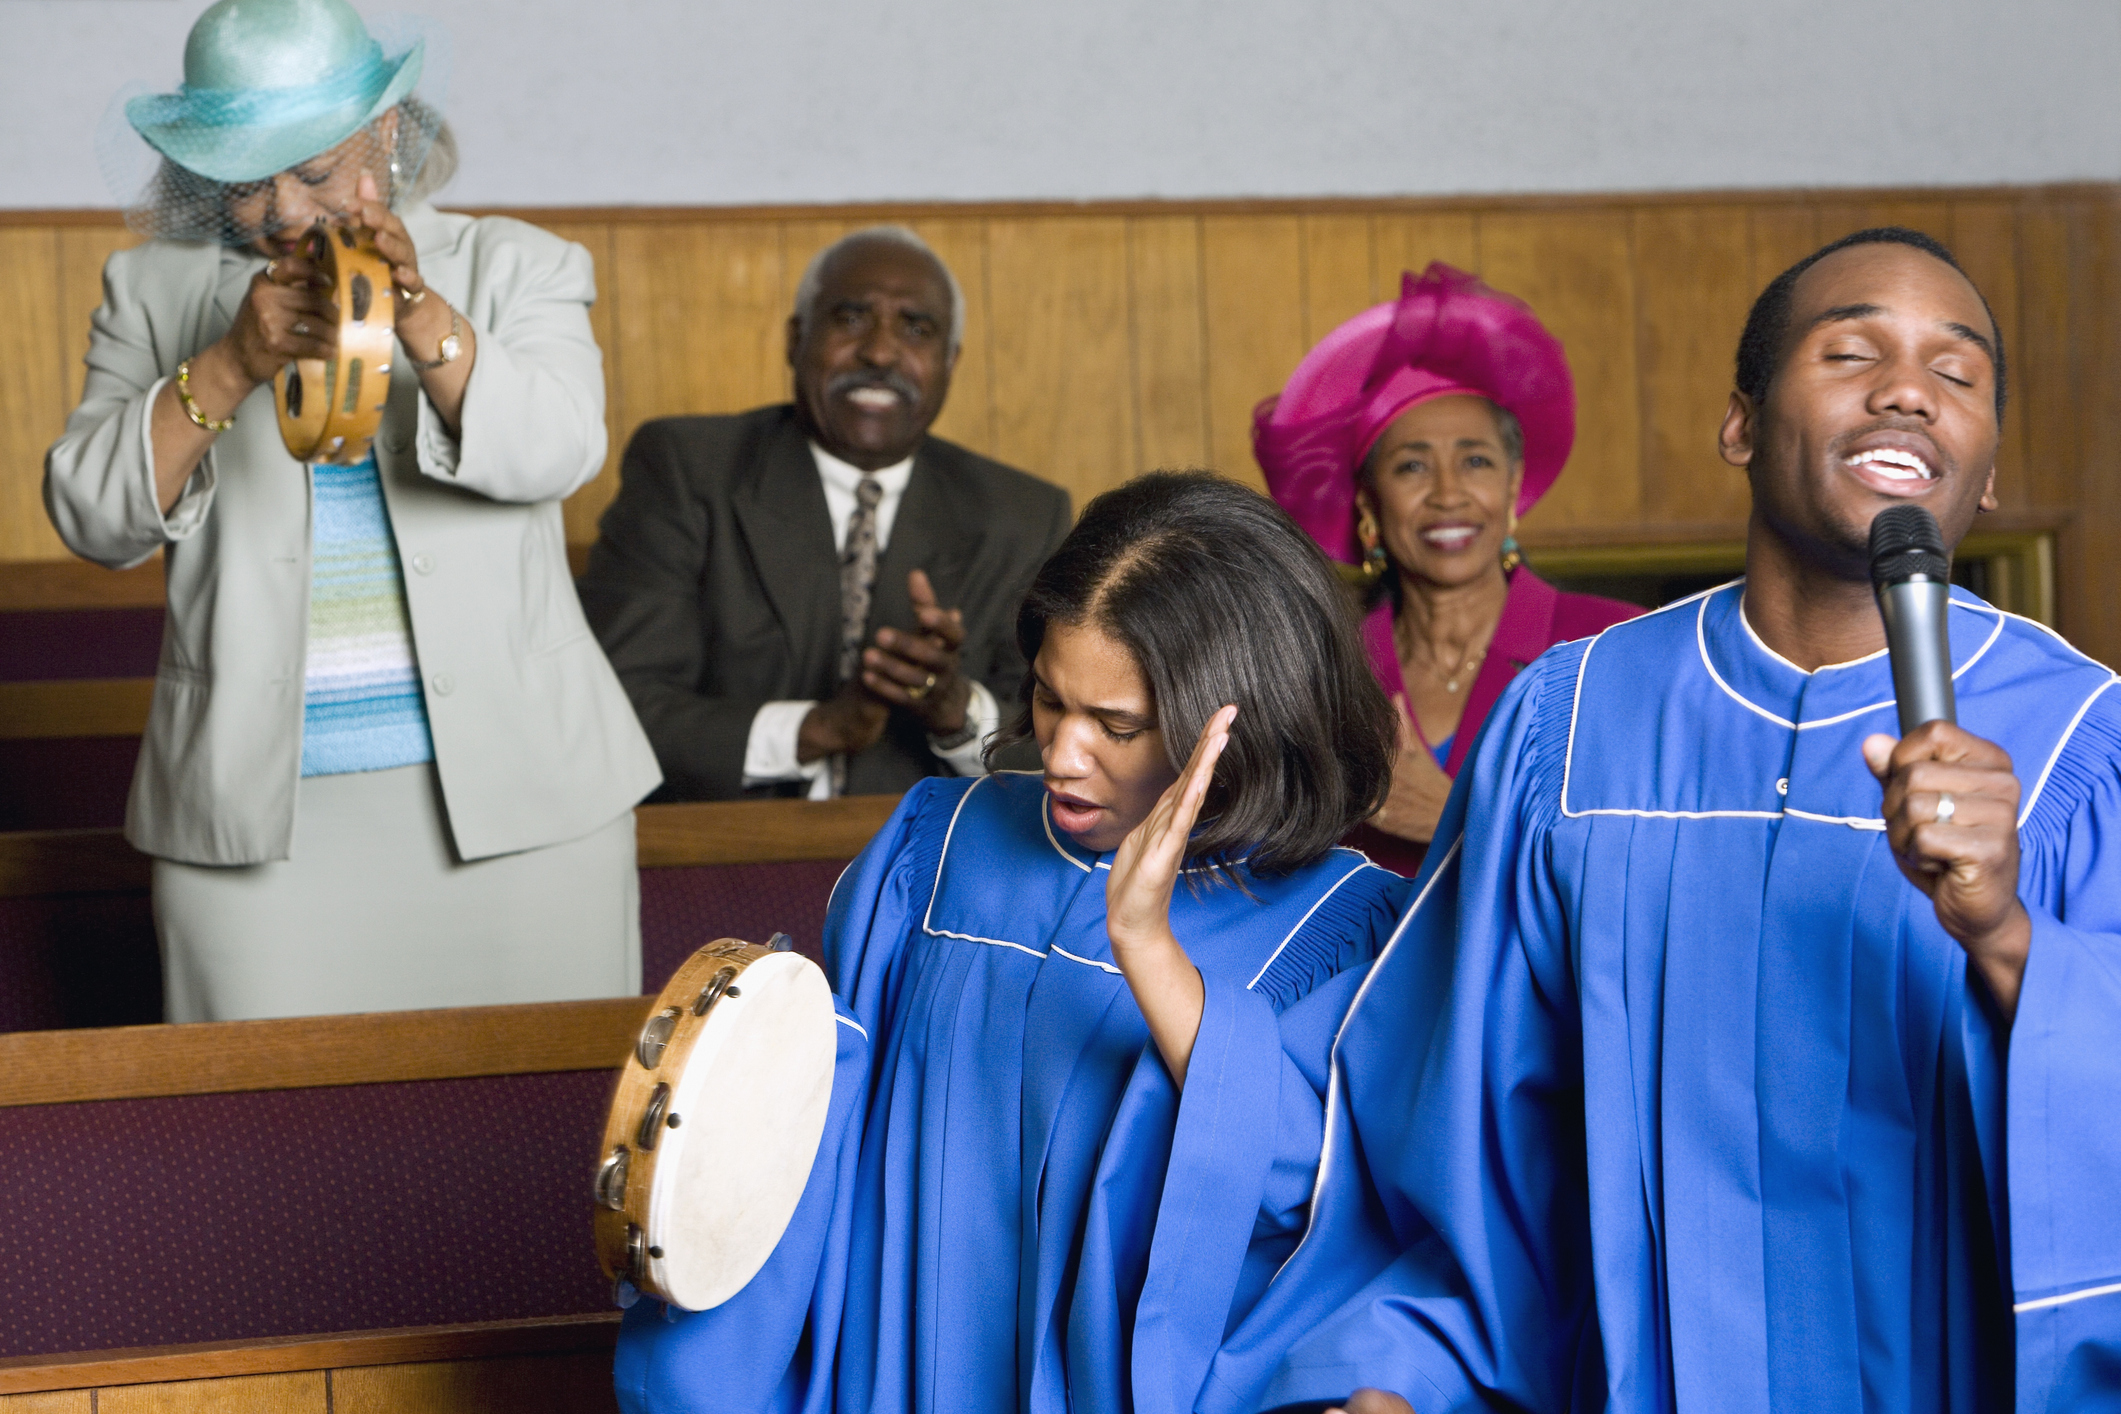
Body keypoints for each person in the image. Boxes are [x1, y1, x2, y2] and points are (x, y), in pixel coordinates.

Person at [1205, 228, 2121, 1413]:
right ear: (1740, 423)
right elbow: (1457, 1128)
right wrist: (1398, 1373)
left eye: (1957, 374)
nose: (1908, 390)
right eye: (1853, 352)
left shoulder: (2080, 747)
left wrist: (2005, 937)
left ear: (1985, 468)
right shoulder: (1570, 729)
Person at [614, 473, 1414, 1414]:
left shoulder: (1337, 926)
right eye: (1047, 699)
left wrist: (1147, 947)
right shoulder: (938, 848)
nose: (1064, 753)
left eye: (1116, 725)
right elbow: (811, 1141)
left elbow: (1308, 1201)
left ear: (1235, 725)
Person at [43, 0, 659, 1022]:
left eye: (316, 172)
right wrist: (231, 363)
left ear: (389, 129)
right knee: (264, 1157)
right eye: (246, 184)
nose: (284, 210)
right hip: (249, 836)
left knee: (539, 1147)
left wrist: (416, 310)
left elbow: (558, 451)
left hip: (529, 810)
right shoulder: (152, 292)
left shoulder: (518, 265)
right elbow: (94, 520)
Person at [577, 227, 1072, 801]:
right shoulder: (689, 472)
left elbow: (1060, 743)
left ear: (950, 361)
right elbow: (618, 706)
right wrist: (819, 729)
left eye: (916, 328)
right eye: (851, 318)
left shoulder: (1022, 516)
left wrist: (954, 709)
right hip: (723, 852)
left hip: (931, 865)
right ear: (795, 340)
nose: (881, 352)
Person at [1256, 265, 1640, 876]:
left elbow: (1653, 862)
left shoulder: (1616, 645)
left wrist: (1453, 822)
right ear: (1367, 504)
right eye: (1412, 467)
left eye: (1476, 462)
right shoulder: (1325, 670)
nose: (1447, 495)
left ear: (1513, 485)